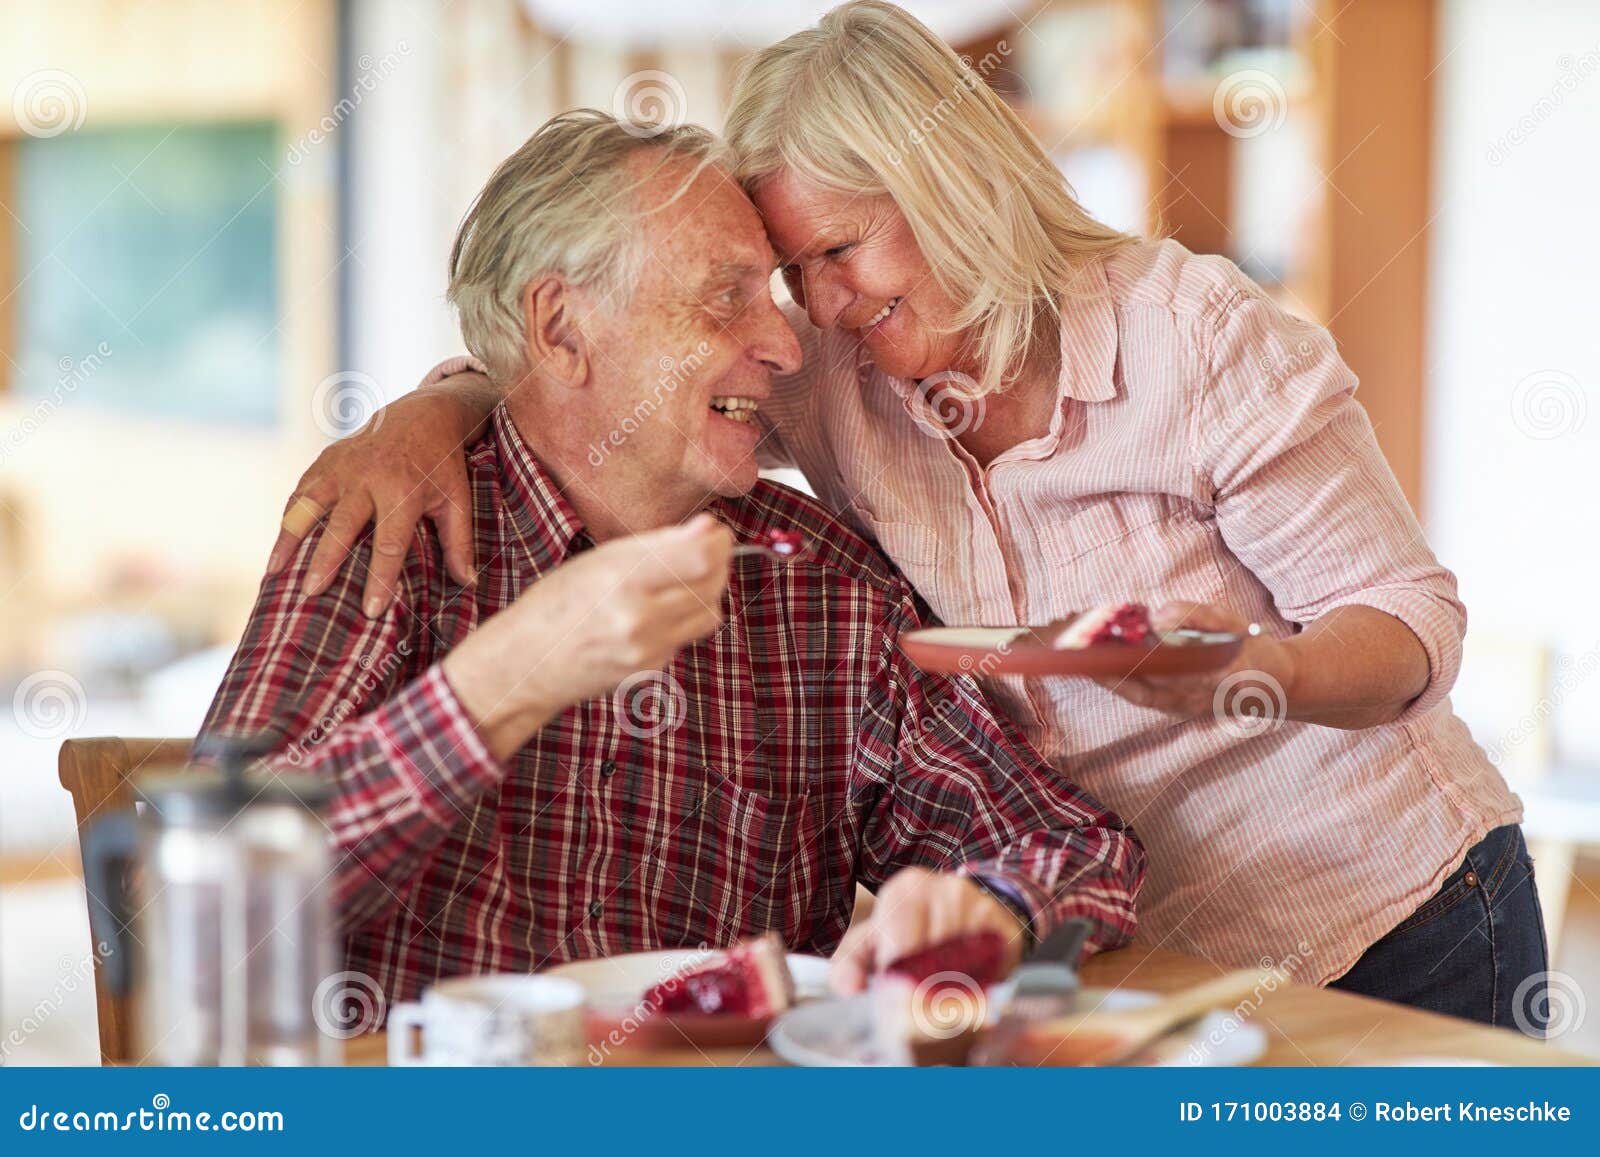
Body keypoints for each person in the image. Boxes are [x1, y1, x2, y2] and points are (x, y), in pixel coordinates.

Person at [267, 2, 1545, 1030]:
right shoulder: (419, 528)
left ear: (944, 187)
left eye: (835, 254)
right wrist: (423, 421)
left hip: (1390, 906)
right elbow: (593, 376)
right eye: (763, 281)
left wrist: (1239, 676)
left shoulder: (1188, 340)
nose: (798, 321)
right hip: (1153, 963)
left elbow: (1408, 628)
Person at [200, 109, 1144, 1009]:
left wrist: (992, 906)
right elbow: (201, 908)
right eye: (725, 296)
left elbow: (1070, 844)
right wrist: (495, 689)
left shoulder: (824, 588)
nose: (784, 344)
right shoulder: (395, 530)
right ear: (563, 329)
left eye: (772, 294)